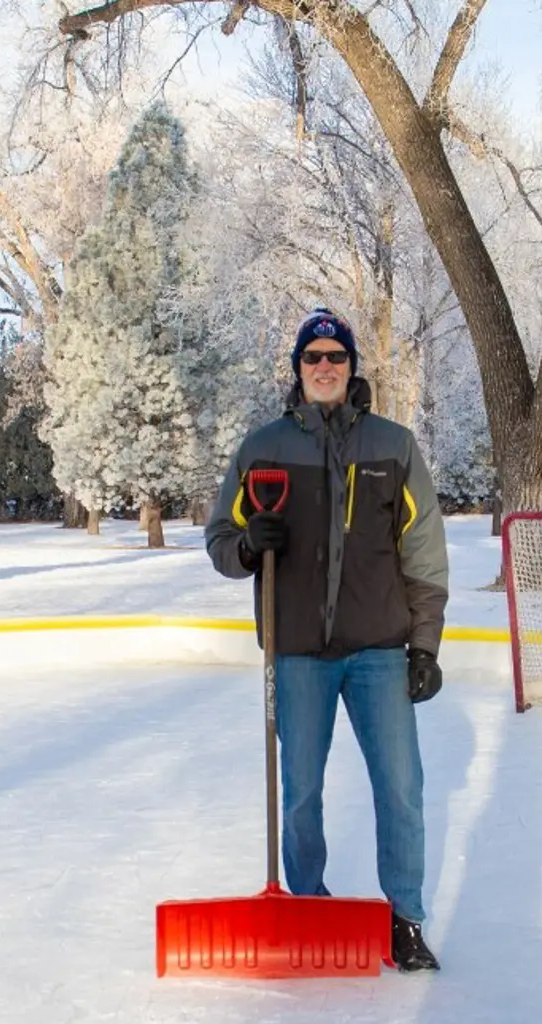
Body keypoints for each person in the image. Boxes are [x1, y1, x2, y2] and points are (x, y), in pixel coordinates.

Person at [205, 308, 449, 972]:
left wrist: (424, 646)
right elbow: (220, 540)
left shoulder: (394, 447)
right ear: (297, 367)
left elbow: (424, 552)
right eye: (312, 356)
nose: (324, 366)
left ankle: (404, 919)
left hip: (379, 650)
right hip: (298, 653)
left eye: (335, 356)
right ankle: (309, 905)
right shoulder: (262, 449)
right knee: (301, 792)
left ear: (351, 366)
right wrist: (248, 545)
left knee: (401, 788)